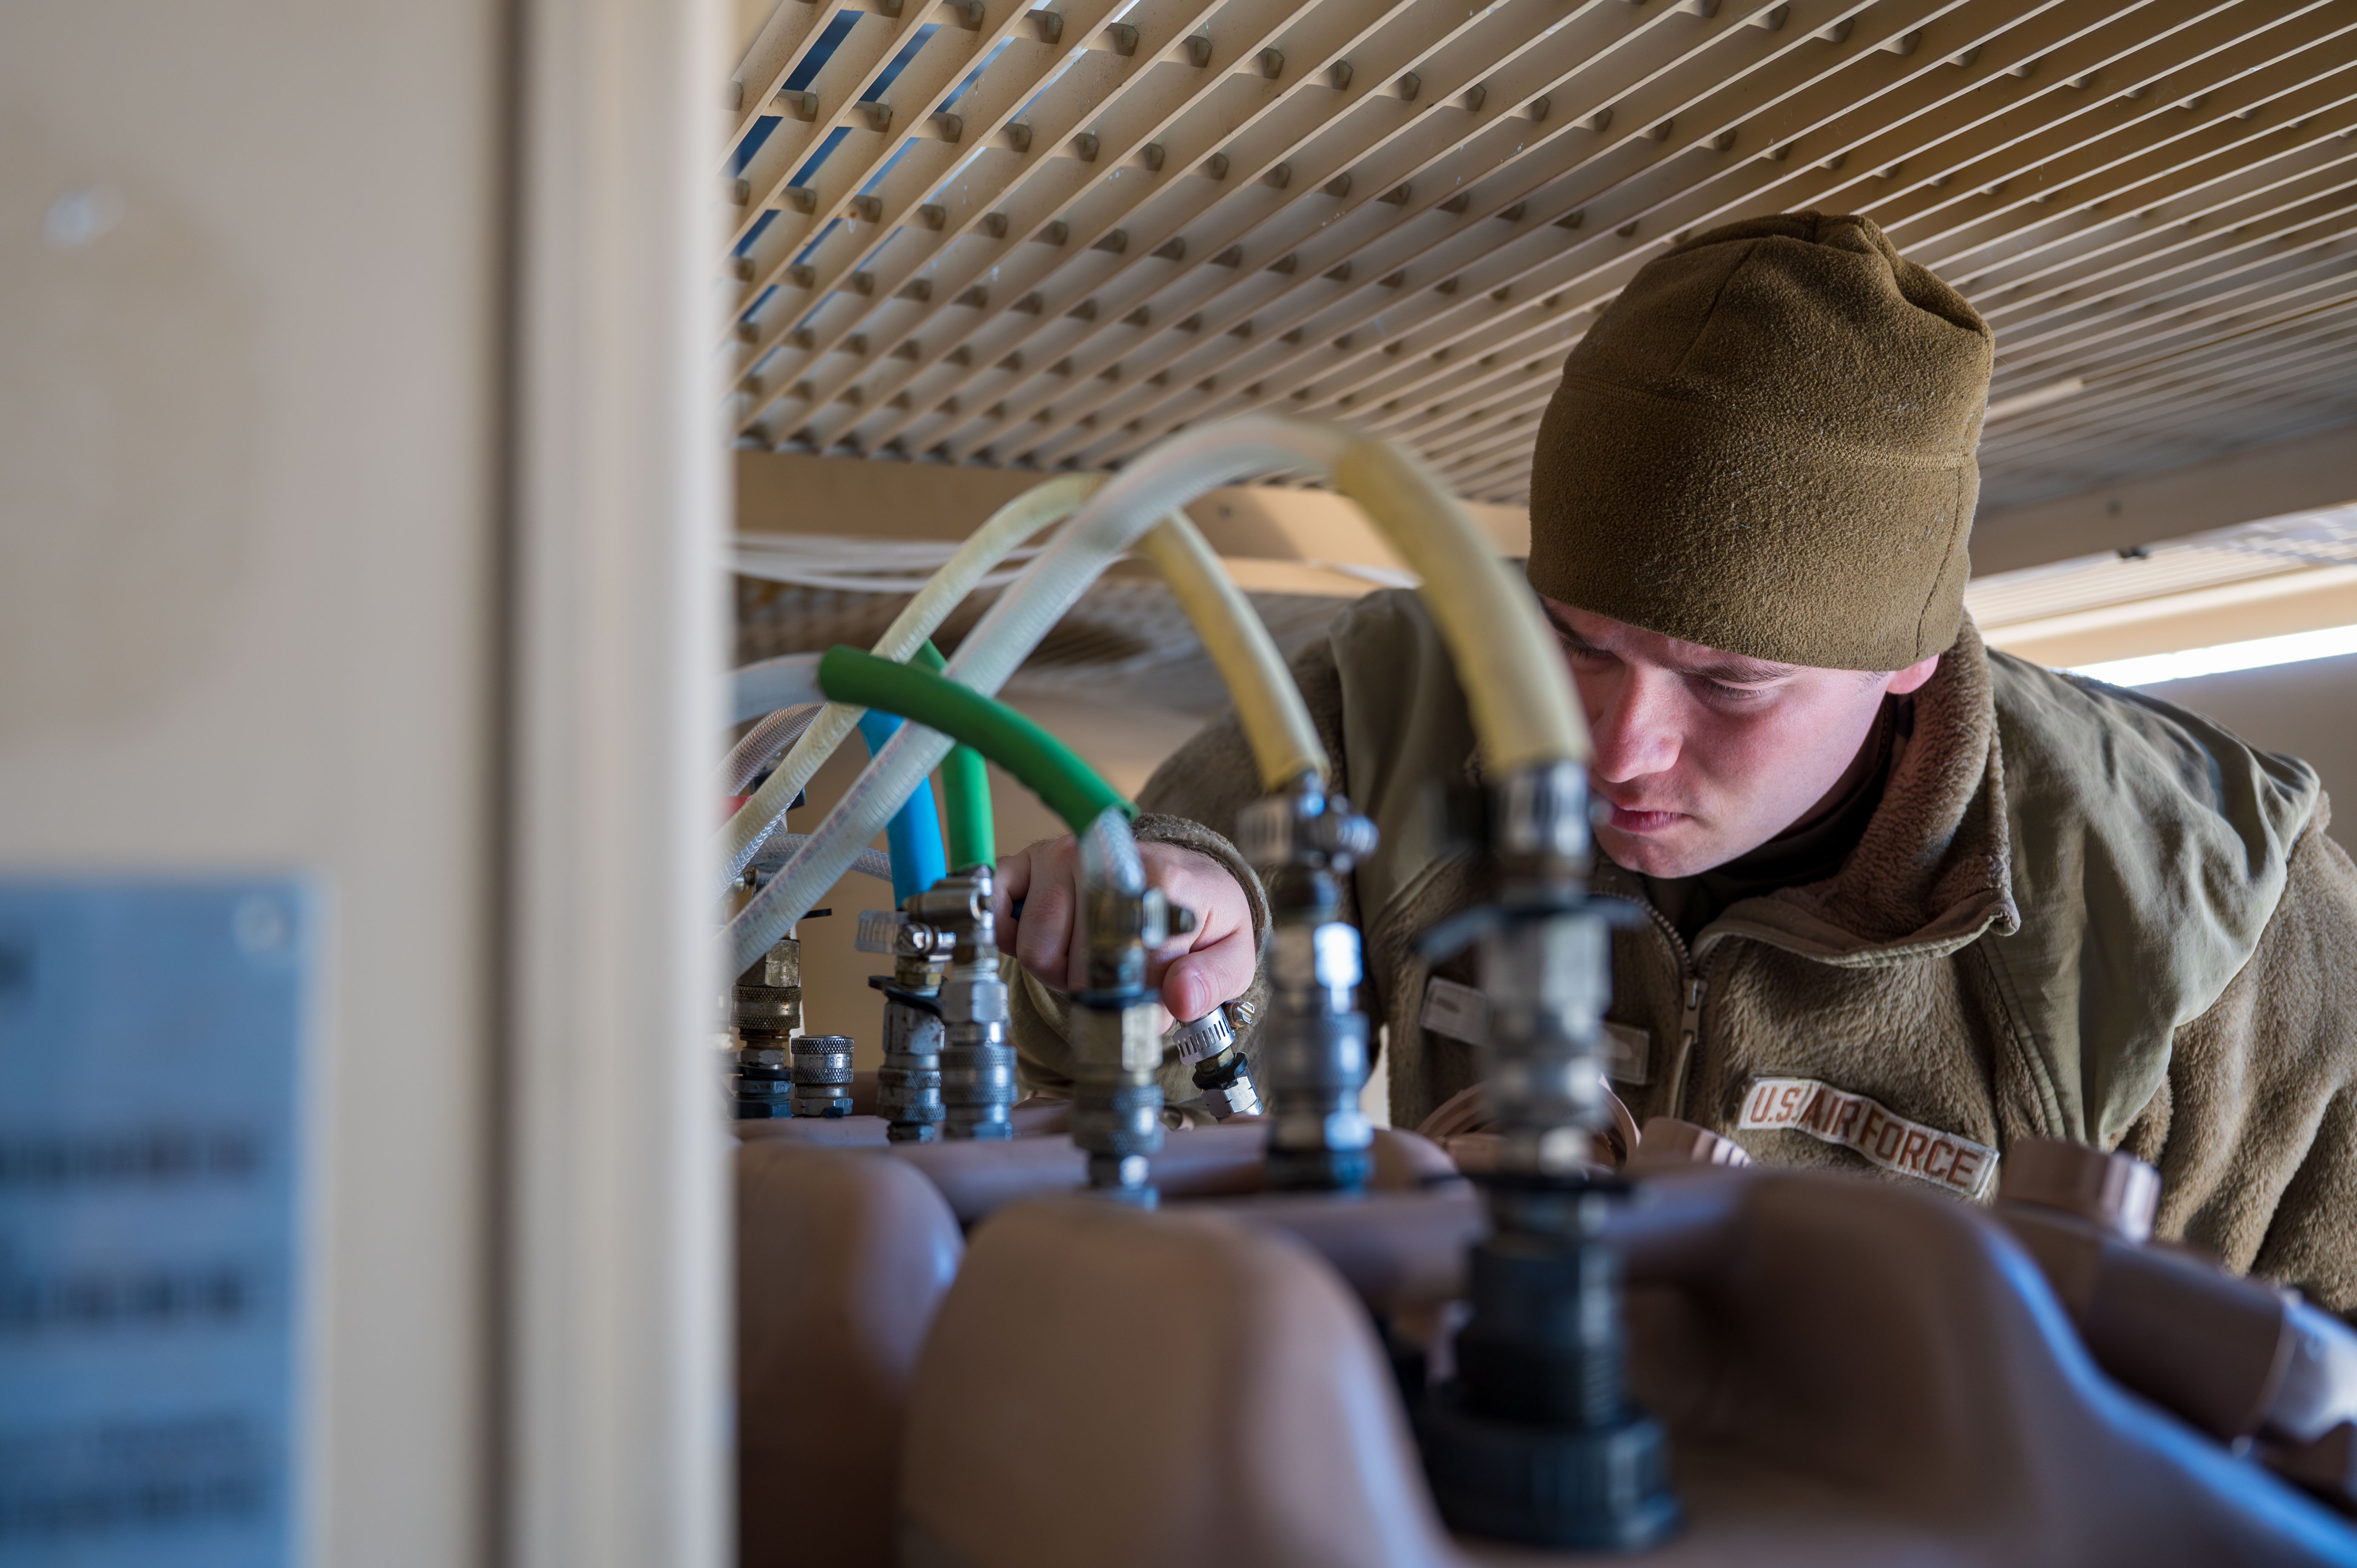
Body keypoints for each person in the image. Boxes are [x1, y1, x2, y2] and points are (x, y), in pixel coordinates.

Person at [992, 212, 2357, 1309]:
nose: (1615, 746)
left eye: (1728, 680)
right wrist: (1149, 944)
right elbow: (1096, 1075)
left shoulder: (2195, 902)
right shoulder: (1389, 700)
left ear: (1909, 658)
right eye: (1579, 646)